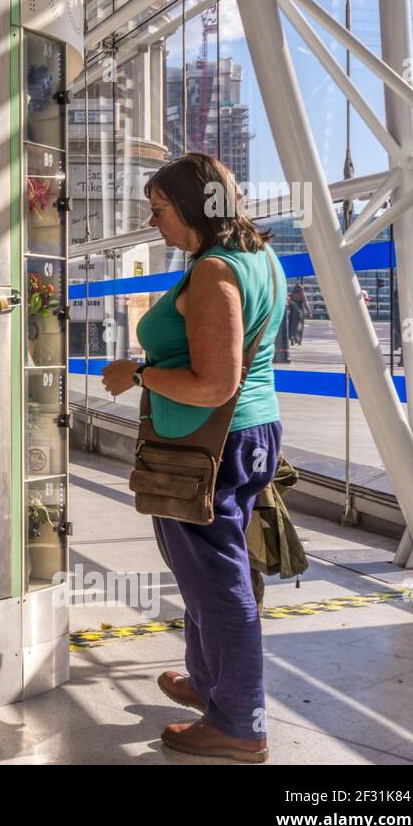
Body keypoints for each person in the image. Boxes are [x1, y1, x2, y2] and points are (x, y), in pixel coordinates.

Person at [102, 153, 285, 764]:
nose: (154, 223)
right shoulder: (261, 257)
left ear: (191, 206)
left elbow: (214, 384)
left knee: (216, 581)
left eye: (159, 210)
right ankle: (213, 687)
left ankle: (238, 724)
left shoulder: (214, 271)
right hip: (246, 435)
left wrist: (140, 374)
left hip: (210, 445)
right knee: (211, 572)